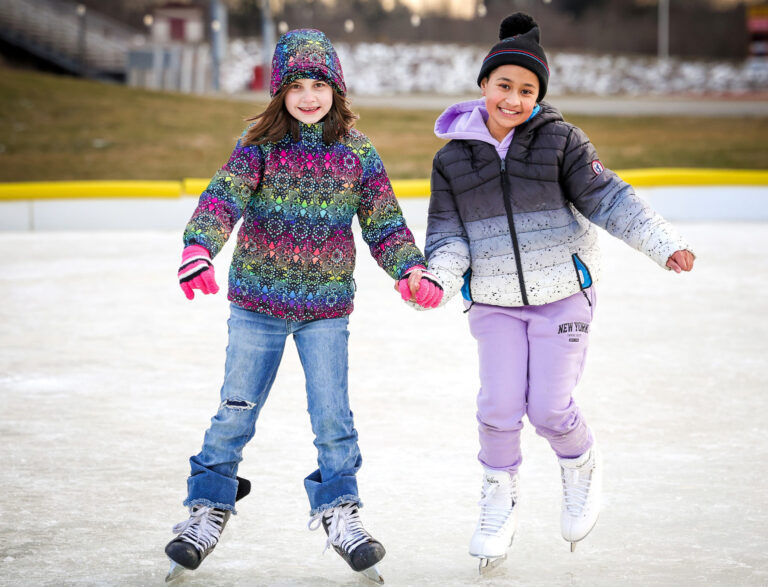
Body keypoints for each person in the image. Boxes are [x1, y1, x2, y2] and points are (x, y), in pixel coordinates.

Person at [402, 12, 695, 573]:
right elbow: (447, 235)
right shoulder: (452, 159)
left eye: (527, 90)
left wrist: (663, 244)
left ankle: (580, 464)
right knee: (498, 406)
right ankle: (497, 502)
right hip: (491, 300)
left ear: (539, 95)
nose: (513, 99)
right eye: (504, 85)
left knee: (549, 407)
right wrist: (437, 279)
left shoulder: (561, 141)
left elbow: (610, 200)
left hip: (563, 292)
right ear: (484, 85)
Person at [166, 28, 432, 583]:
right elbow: (222, 199)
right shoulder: (258, 149)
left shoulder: (358, 155)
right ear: (279, 92)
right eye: (296, 85)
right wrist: (199, 247)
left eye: (320, 83)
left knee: (333, 417)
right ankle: (208, 505)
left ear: (337, 88)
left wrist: (408, 266)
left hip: (325, 312)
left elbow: (384, 224)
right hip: (257, 305)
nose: (309, 95)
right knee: (234, 411)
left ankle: (339, 508)